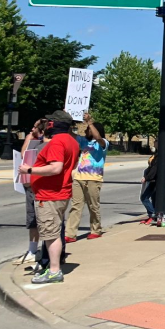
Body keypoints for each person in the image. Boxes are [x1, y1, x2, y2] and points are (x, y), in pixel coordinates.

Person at [18, 110, 80, 284]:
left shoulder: (57, 142)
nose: (48, 125)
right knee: (54, 232)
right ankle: (53, 268)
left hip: (50, 195)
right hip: (60, 193)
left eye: (50, 122)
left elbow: (56, 168)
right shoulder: (72, 141)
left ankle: (54, 271)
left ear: (56, 124)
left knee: (51, 235)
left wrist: (29, 170)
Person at [65, 114, 108, 242]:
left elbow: (98, 137)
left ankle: (96, 230)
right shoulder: (84, 141)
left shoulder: (103, 143)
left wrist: (89, 122)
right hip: (79, 178)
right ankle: (70, 234)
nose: (85, 131)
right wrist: (67, 119)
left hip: (94, 179)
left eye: (88, 129)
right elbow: (70, 134)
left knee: (93, 206)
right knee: (76, 206)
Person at [15, 119, 47, 264]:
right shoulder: (32, 140)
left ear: (41, 130)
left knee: (43, 220)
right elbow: (23, 155)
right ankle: (32, 250)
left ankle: (45, 252)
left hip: (42, 185)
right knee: (32, 218)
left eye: (34, 127)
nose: (31, 130)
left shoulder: (47, 143)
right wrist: (29, 139)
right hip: (30, 184)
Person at [139, 153, 157, 224]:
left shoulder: (159, 156)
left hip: (154, 181)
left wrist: (146, 178)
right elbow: (150, 167)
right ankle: (151, 216)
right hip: (151, 181)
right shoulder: (155, 155)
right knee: (153, 199)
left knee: (144, 198)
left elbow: (154, 170)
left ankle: (153, 215)